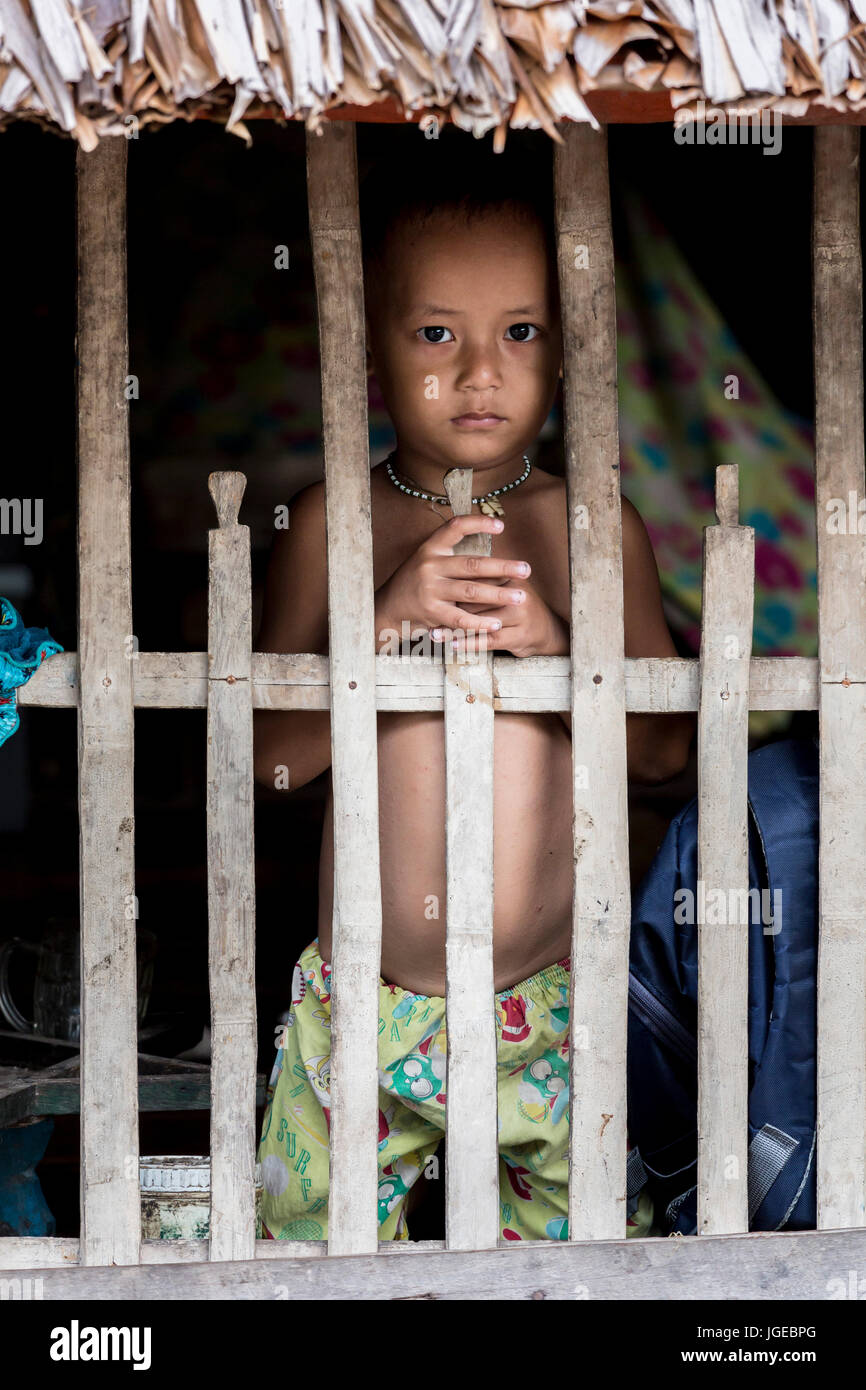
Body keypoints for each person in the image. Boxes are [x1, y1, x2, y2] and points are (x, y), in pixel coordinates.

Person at [253, 137, 694, 1242]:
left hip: (553, 1002)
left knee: (589, 1261)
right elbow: (266, 758)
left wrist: (557, 646)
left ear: (564, 354)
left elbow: (665, 755)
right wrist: (385, 620)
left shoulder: (591, 529)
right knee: (312, 1254)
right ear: (370, 352)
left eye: (521, 333)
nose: (480, 371)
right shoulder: (331, 526)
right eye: (437, 332)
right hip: (358, 996)